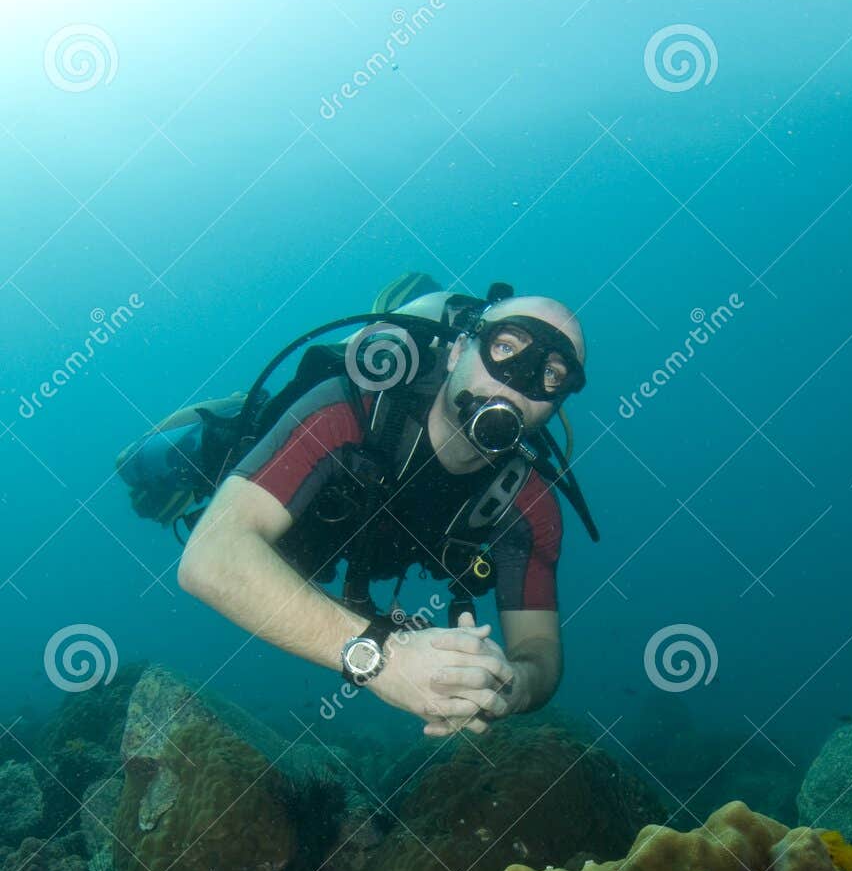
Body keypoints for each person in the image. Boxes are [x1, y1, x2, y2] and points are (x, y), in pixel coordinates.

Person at [174, 283, 588, 738]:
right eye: (505, 346)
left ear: (557, 406)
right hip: (265, 478)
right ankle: (221, 413)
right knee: (172, 462)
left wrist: (505, 686)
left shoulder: (528, 502)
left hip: (349, 550)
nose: (517, 382)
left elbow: (540, 651)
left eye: (551, 374)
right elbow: (210, 557)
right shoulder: (346, 409)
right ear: (457, 351)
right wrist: (385, 658)